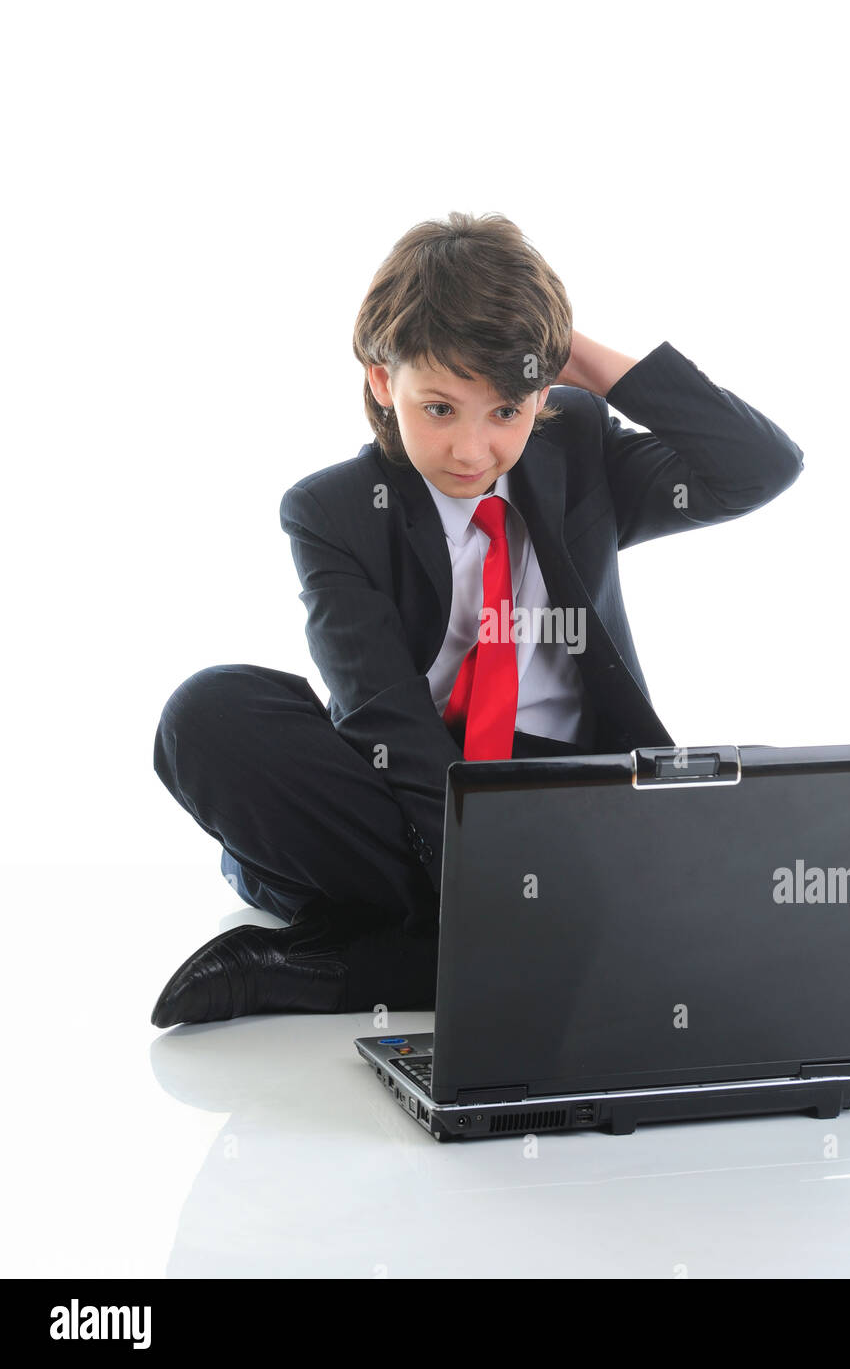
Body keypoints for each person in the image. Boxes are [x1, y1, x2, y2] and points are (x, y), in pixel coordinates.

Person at [151, 211, 805, 1027]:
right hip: (415, 781)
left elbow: (758, 468)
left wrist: (581, 360)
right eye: (439, 408)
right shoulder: (335, 511)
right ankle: (540, 929)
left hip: (569, 794)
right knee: (208, 713)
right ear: (381, 381)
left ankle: (340, 966)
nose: (471, 450)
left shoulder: (576, 454)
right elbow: (381, 715)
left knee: (752, 846)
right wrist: (492, 872)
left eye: (505, 411)